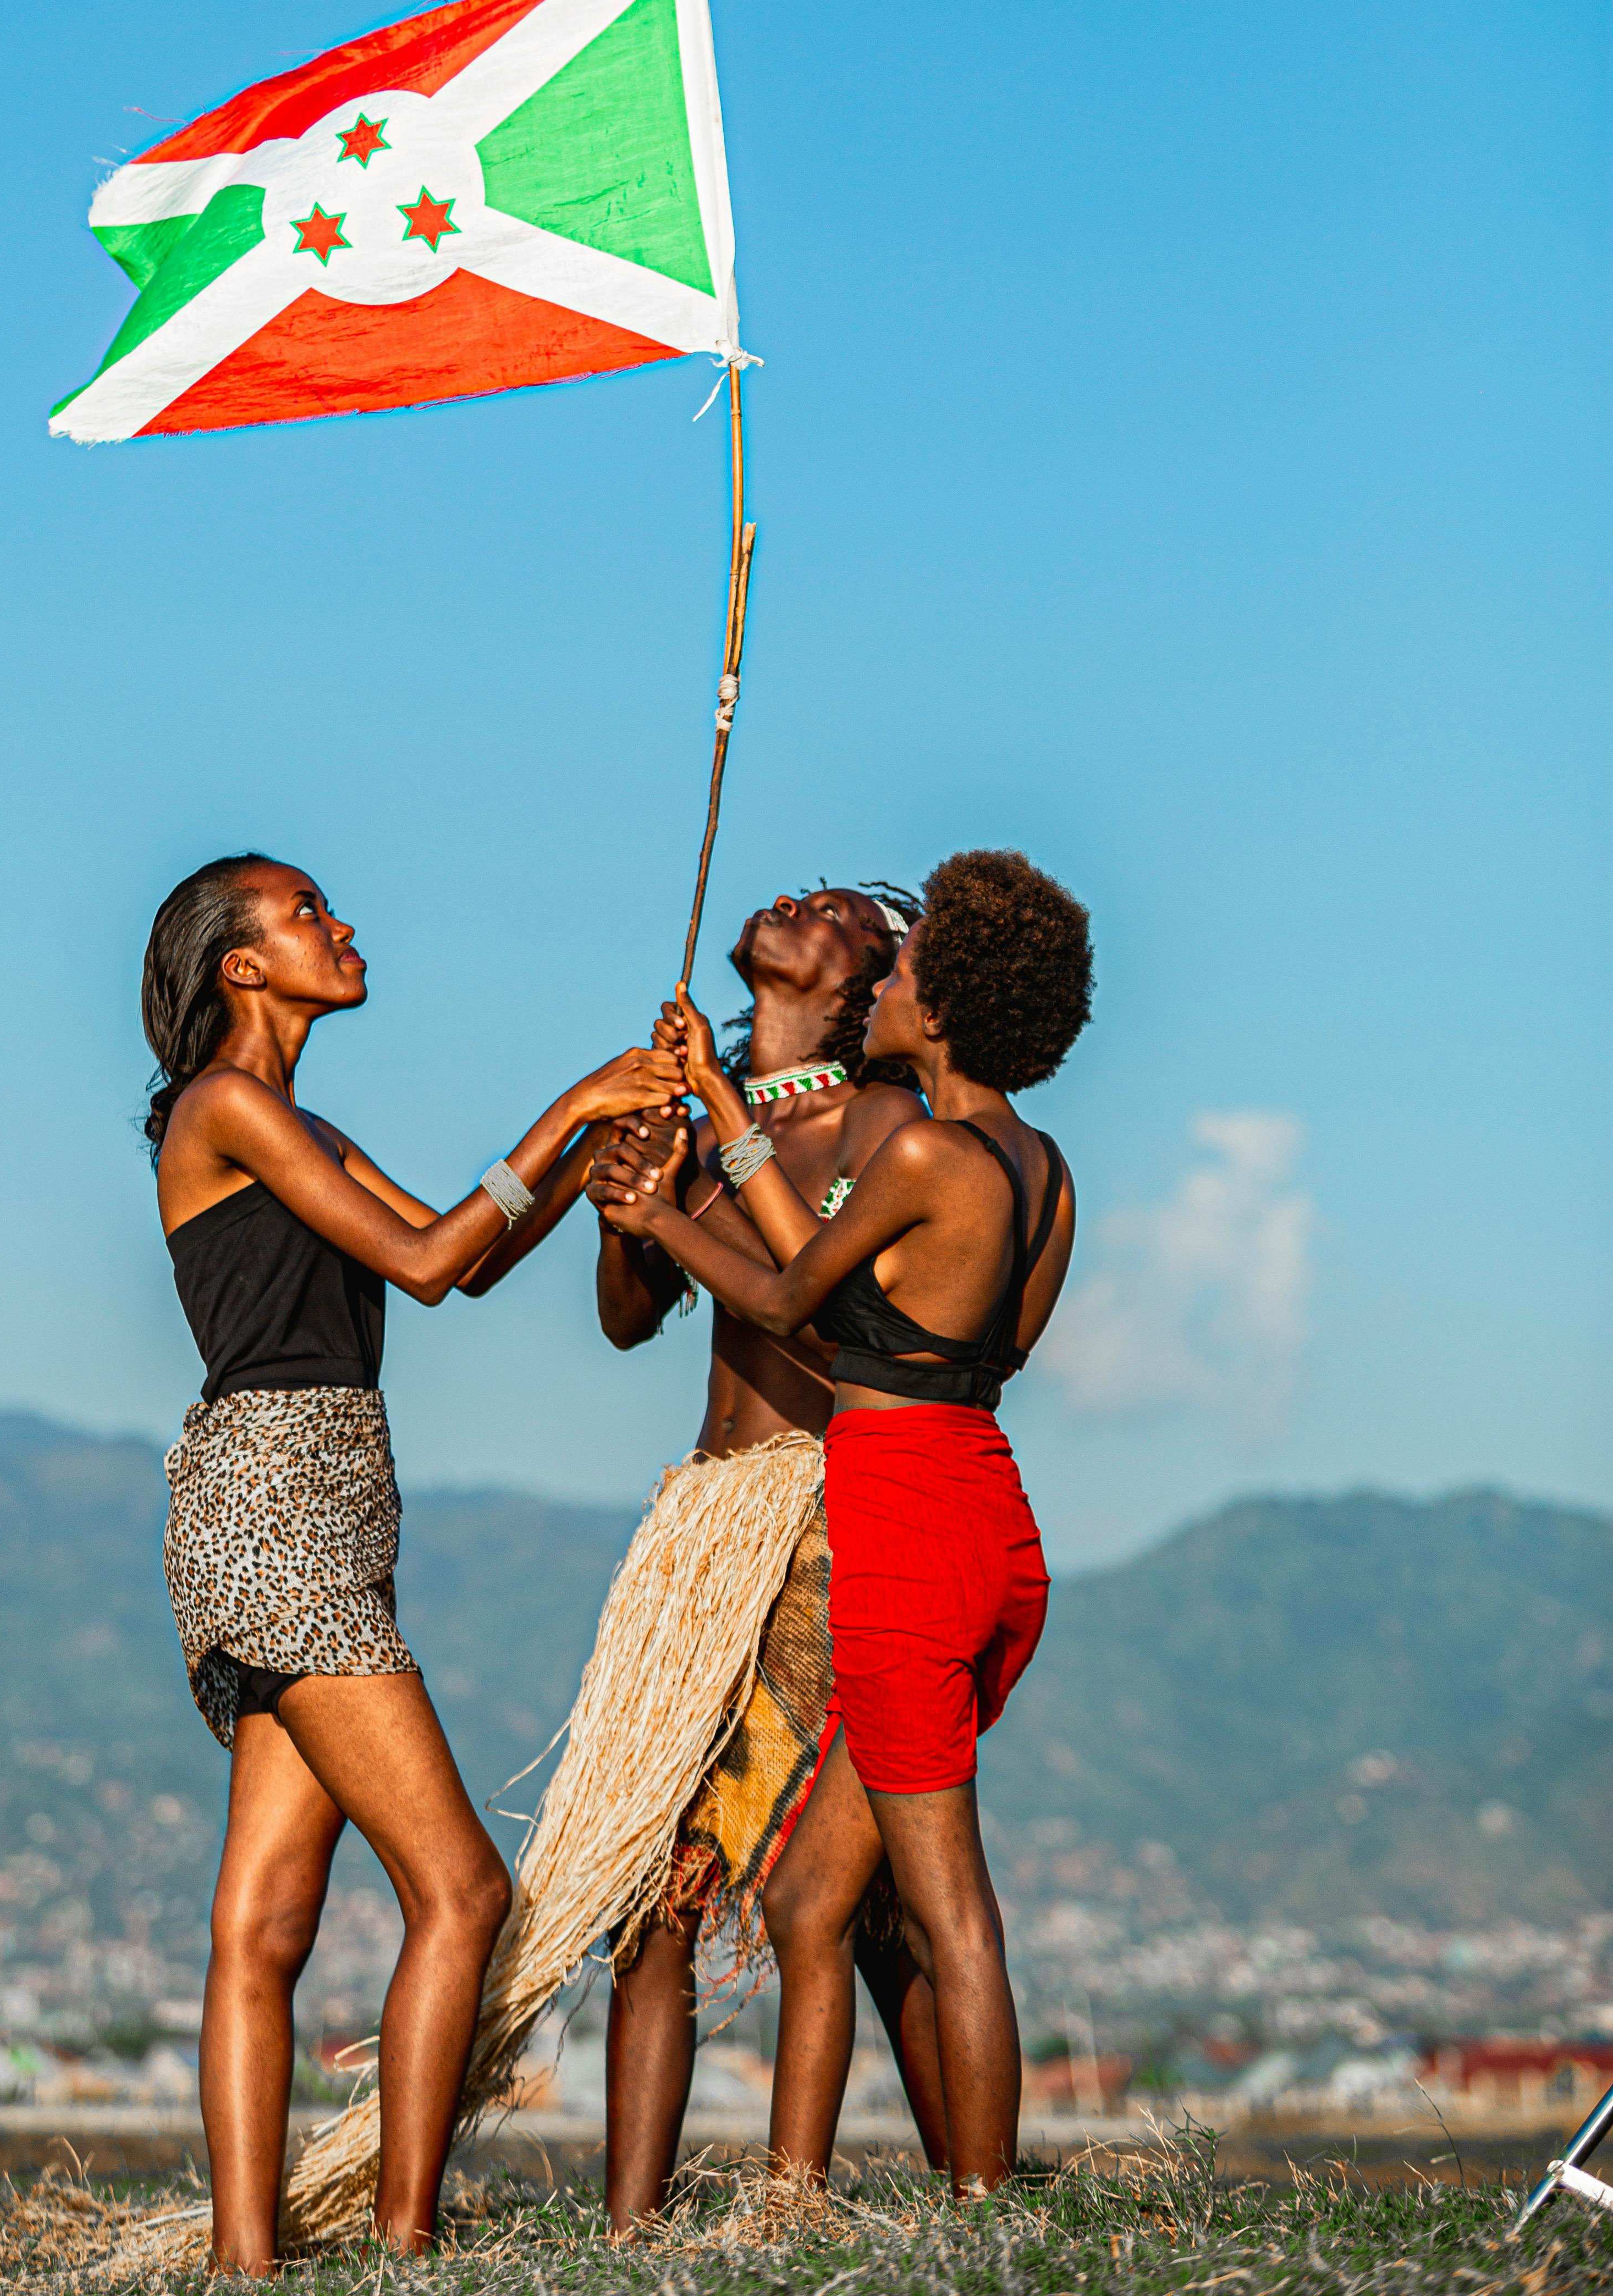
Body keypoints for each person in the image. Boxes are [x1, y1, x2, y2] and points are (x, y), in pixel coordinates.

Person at [142, 851, 678, 2268]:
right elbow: (432, 1262)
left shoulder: (291, 1120)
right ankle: (404, 2239)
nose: (346, 924)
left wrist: (593, 1157)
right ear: (243, 966)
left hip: (312, 1512)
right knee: (463, 1889)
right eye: (310, 913)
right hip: (278, 1515)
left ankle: (246, 2263)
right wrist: (576, 1101)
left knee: (264, 1924)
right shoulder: (231, 1107)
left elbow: (469, 1257)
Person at [592, 849, 1092, 2196]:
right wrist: (689, 1134)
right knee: (821, 1901)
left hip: (884, 1519)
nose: (887, 974)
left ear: (924, 999)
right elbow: (962, 1336)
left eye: (900, 955)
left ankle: (976, 2198)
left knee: (926, 1907)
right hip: (978, 1499)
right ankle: (801, 2198)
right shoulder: (1034, 1168)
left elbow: (789, 1297)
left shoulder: (909, 1139)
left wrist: (664, 1208)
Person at [591, 887, 952, 2227]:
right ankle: (631, 2228)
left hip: (827, 1517)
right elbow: (632, 1319)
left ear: (870, 979)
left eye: (846, 909)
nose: (802, 900)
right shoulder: (695, 1121)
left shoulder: (881, 1127)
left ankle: (962, 2178)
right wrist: (625, 1197)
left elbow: (838, 1323)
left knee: (857, 1903)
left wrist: (717, 1151)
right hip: (705, 1533)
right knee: (655, 1876)